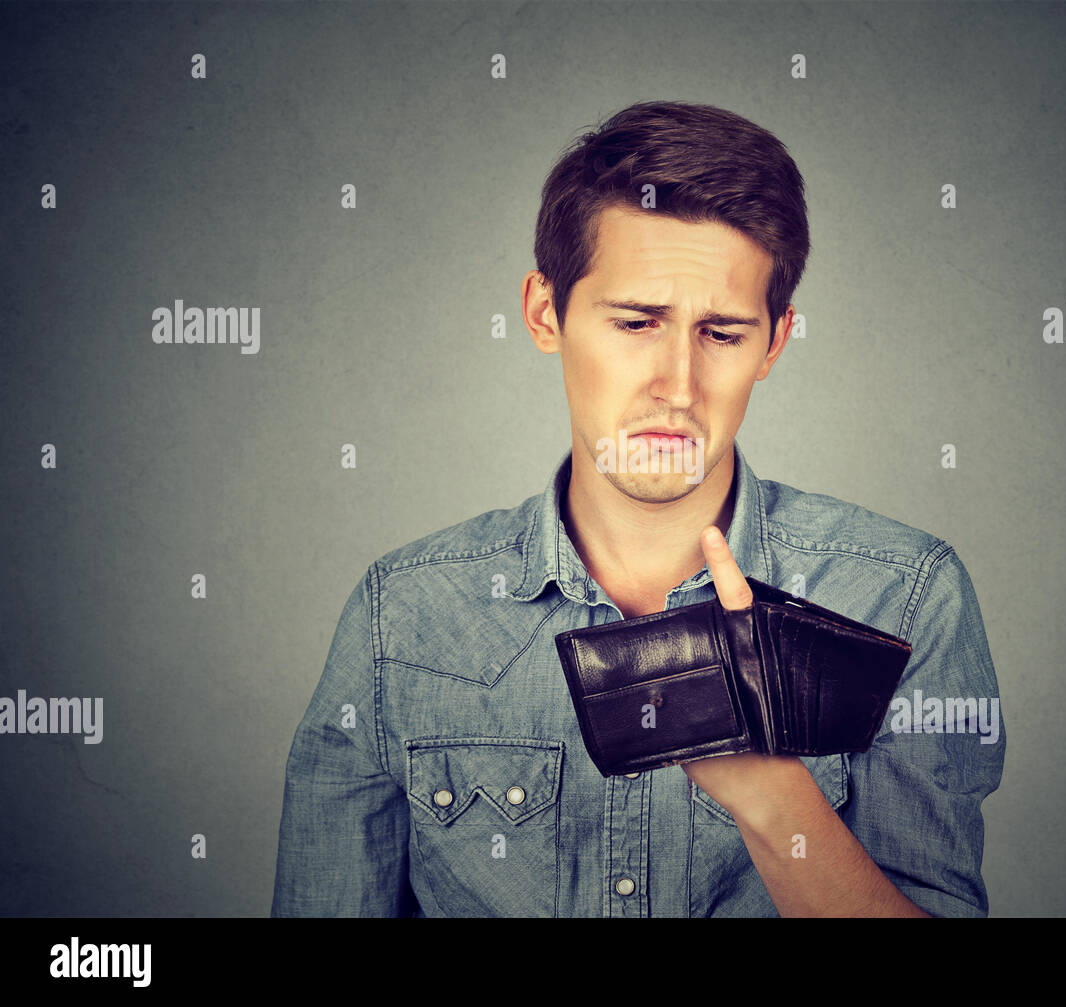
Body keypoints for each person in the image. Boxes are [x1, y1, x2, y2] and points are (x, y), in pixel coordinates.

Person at [271, 100, 1005, 918]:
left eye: (722, 333)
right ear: (546, 312)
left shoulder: (904, 598)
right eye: (636, 322)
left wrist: (773, 796)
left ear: (775, 342)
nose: (678, 387)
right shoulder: (400, 616)